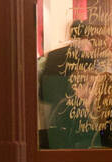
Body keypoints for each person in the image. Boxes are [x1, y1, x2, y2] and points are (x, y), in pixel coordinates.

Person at [39, 19, 96, 148]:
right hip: (76, 111)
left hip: (53, 108)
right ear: (86, 36)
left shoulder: (54, 55)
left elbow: (43, 86)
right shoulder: (86, 58)